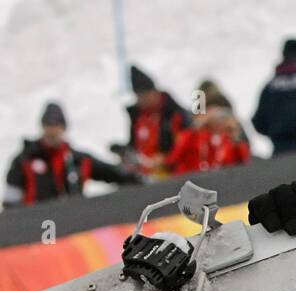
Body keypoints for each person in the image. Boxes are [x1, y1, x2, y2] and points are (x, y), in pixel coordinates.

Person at [3, 102, 139, 207]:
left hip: (72, 223)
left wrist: (138, 177)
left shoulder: (78, 160)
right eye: (48, 125)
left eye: (56, 126)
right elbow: (10, 201)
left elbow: (114, 174)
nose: (52, 131)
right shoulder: (24, 160)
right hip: (36, 226)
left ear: (63, 128)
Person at [165, 85, 251, 176]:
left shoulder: (232, 143)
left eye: (223, 115)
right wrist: (198, 125)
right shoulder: (193, 137)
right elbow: (172, 160)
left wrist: (235, 134)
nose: (219, 119)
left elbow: (245, 165)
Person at [123, 65, 189, 177]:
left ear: (154, 92)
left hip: (173, 175)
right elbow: (134, 145)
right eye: (139, 97)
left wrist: (165, 159)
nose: (142, 101)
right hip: (145, 176)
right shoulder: (137, 117)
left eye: (145, 96)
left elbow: (186, 145)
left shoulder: (174, 114)